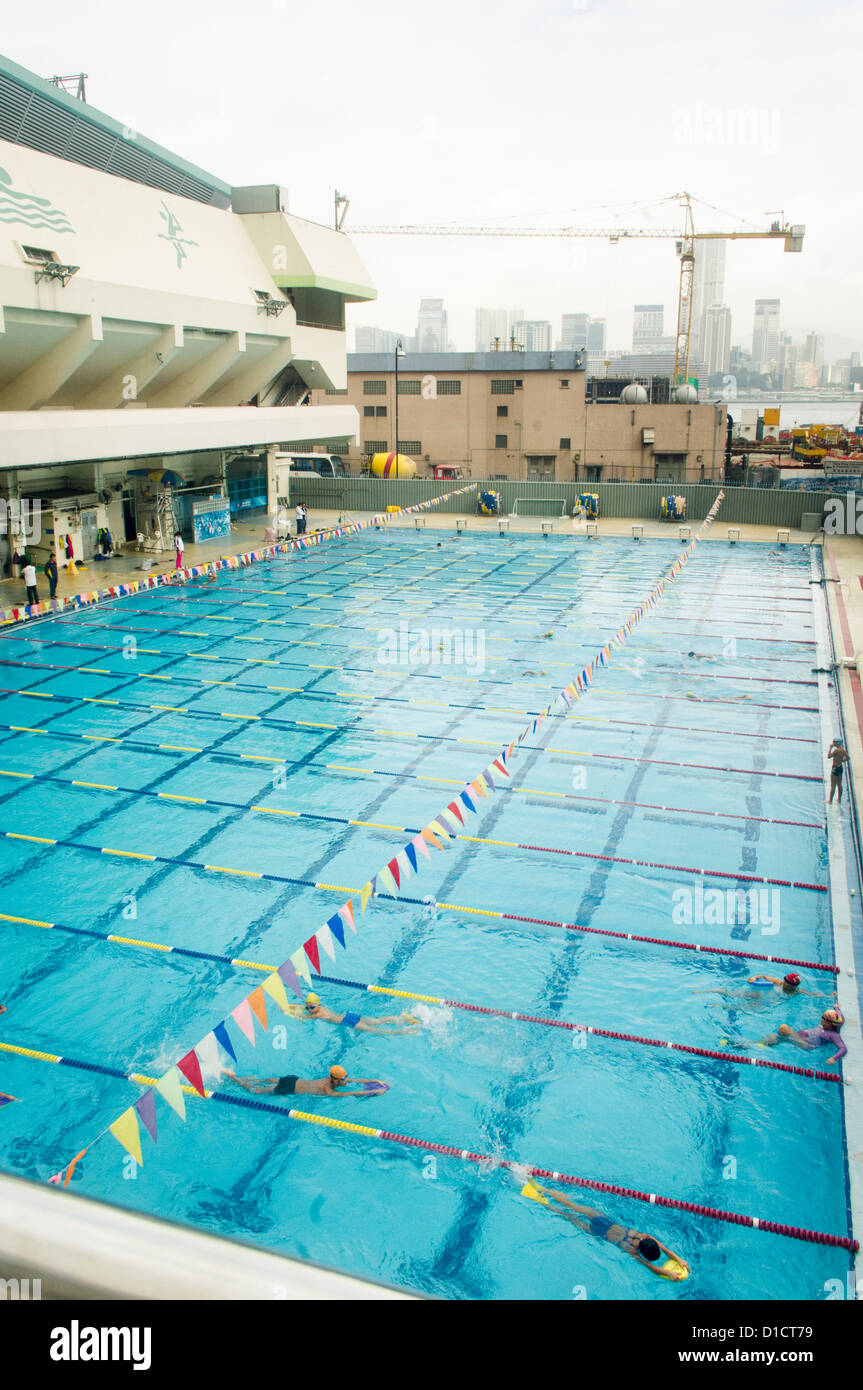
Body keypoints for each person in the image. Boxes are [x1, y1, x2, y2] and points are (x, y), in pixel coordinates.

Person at [523, 1181, 690, 1280]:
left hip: (605, 1220)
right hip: (599, 1232)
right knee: (568, 1216)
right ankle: (542, 1201)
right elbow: (649, 1266)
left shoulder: (645, 1236)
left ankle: (541, 1188)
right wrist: (667, 1273)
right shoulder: (632, 1251)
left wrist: (679, 1258)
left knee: (573, 1206)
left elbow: (664, 1248)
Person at [222, 1064, 388, 1098]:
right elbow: (352, 1092)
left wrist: (375, 1080)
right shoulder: (327, 1090)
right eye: (343, 1079)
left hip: (292, 1079)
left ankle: (248, 1077)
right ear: (336, 1080)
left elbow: (356, 1080)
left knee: (262, 1080)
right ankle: (234, 1078)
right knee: (253, 1090)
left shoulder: (330, 1079)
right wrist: (373, 1091)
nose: (347, 1080)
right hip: (289, 1088)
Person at [292, 992, 420, 1034]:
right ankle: (403, 1018)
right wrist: (288, 1005)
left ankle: (406, 1032)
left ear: (318, 1005)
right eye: (308, 1007)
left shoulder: (317, 1014)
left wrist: (289, 1012)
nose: (309, 1009)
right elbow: (302, 1007)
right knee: (378, 1021)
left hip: (348, 1021)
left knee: (377, 1031)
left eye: (312, 1007)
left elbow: (304, 1016)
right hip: (350, 1015)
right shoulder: (319, 1008)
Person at [759, 1009, 847, 1064]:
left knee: (784, 1028)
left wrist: (833, 1058)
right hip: (802, 1038)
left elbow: (843, 1048)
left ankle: (759, 1045)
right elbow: (840, 1014)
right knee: (778, 1037)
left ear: (830, 1024)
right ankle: (761, 1045)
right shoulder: (837, 1021)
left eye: (823, 1018)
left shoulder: (833, 1034)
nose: (821, 1019)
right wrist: (836, 1007)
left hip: (806, 1044)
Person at [828, 739, 850, 804]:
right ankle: (839, 800)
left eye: (834, 742)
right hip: (840, 767)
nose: (833, 743)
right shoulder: (843, 750)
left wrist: (830, 748)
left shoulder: (836, 751)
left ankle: (830, 801)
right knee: (839, 784)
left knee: (833, 785)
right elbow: (848, 758)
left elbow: (828, 756)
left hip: (835, 768)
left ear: (837, 743)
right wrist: (842, 761)